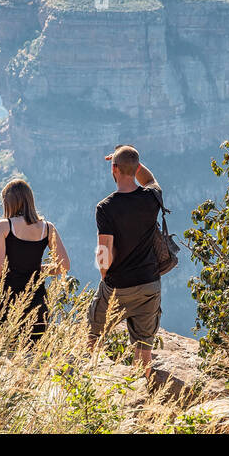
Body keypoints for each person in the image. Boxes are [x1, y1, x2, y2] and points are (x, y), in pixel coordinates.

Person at [88, 145, 164, 375]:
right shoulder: (152, 197)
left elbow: (105, 251)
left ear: (114, 170)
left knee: (94, 334)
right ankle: (143, 396)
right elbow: (150, 179)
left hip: (118, 285)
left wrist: (105, 278)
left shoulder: (106, 207)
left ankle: (90, 382)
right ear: (137, 167)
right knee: (143, 347)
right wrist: (133, 162)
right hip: (149, 283)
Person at [0, 179, 71, 342]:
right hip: (37, 303)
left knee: (1, 356)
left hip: (7, 302)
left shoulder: (3, 226)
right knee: (32, 360)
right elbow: (64, 265)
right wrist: (39, 269)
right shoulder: (47, 227)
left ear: (9, 202)